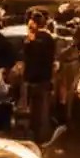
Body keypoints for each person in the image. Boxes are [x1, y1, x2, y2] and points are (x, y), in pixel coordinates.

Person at [22, 11, 56, 143]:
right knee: (39, 107)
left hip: (35, 78)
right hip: (43, 77)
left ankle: (36, 133)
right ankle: (37, 133)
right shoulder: (48, 38)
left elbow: (30, 55)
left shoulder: (36, 38)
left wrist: (29, 41)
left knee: (36, 107)